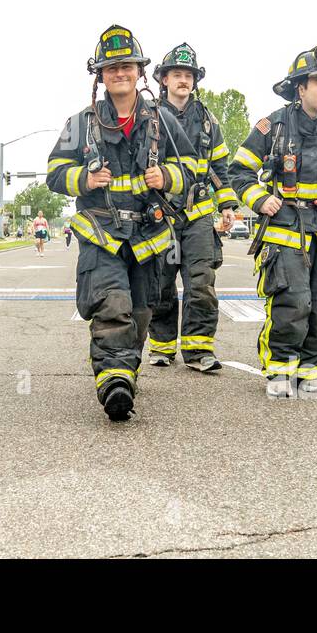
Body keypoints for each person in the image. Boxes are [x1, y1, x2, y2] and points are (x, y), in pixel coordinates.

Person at [46, 25, 195, 421]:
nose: (119, 73)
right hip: (102, 233)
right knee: (111, 304)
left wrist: (167, 178)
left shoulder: (163, 120)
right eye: (111, 68)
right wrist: (83, 179)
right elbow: (54, 171)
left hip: (148, 235)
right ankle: (114, 381)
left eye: (126, 66)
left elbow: (192, 168)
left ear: (139, 72)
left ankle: (124, 370)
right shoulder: (81, 123)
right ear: (101, 75)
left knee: (141, 312)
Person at [229, 42, 317, 399]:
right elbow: (239, 170)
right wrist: (260, 199)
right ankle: (279, 368)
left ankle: (309, 367)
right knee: (293, 303)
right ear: (299, 87)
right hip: (284, 230)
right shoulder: (271, 126)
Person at [147, 44, 241, 372]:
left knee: (201, 281)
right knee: (159, 282)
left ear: (194, 80)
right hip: (159, 214)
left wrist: (227, 203)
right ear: (164, 79)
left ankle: (199, 350)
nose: (183, 80)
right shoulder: (148, 115)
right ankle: (160, 347)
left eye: (188, 75)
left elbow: (219, 166)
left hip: (198, 213)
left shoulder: (207, 120)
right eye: (177, 75)